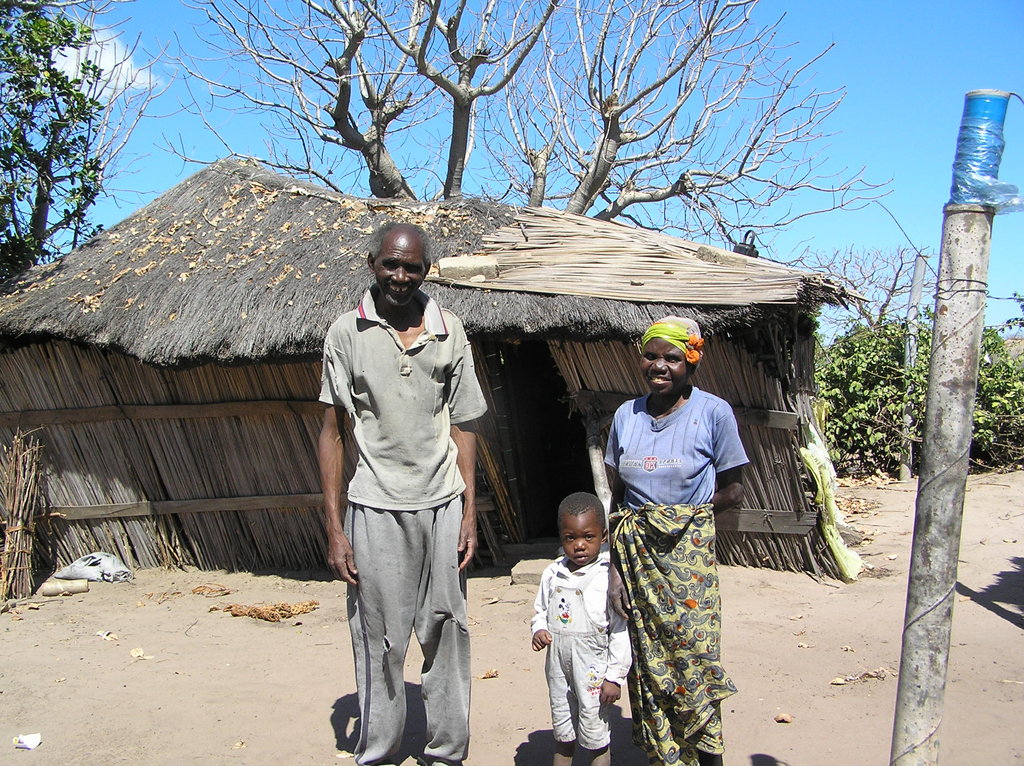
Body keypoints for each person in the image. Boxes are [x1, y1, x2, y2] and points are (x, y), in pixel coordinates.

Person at [318, 221, 487, 766]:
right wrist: (334, 526)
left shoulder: (449, 329)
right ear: (372, 264)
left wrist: (469, 510)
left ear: (425, 269)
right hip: (373, 507)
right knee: (379, 639)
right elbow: (331, 432)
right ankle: (379, 751)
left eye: (412, 266)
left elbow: (464, 424)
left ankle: (447, 752)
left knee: (448, 633)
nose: (400, 275)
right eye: (391, 264)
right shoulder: (346, 333)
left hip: (441, 504)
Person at [604, 316, 748, 766]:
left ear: (691, 360)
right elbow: (617, 497)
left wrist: (684, 520)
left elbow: (735, 488)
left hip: (689, 564)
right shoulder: (625, 415)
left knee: (695, 663)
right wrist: (613, 568)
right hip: (634, 558)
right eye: (651, 355)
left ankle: (708, 759)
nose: (659, 366)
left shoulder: (713, 412)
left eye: (671, 357)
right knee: (647, 667)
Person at [531, 492, 631, 766]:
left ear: (604, 535)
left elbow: (620, 631)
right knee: (563, 733)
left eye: (588, 537)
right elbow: (540, 611)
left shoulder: (607, 577)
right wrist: (539, 630)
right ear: (561, 538)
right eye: (570, 538)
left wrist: (614, 677)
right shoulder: (552, 573)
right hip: (558, 670)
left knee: (595, 735)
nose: (579, 546)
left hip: (593, 672)